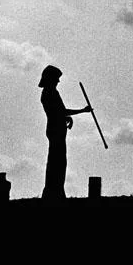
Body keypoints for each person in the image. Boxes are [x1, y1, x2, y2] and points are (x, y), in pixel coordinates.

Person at [38, 65, 92, 200]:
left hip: (56, 129)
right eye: (56, 79)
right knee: (57, 162)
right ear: (50, 79)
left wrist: (66, 118)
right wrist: (82, 111)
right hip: (55, 130)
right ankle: (53, 192)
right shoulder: (50, 93)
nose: (58, 81)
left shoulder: (51, 92)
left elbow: (58, 112)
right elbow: (60, 112)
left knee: (58, 161)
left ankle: (56, 191)